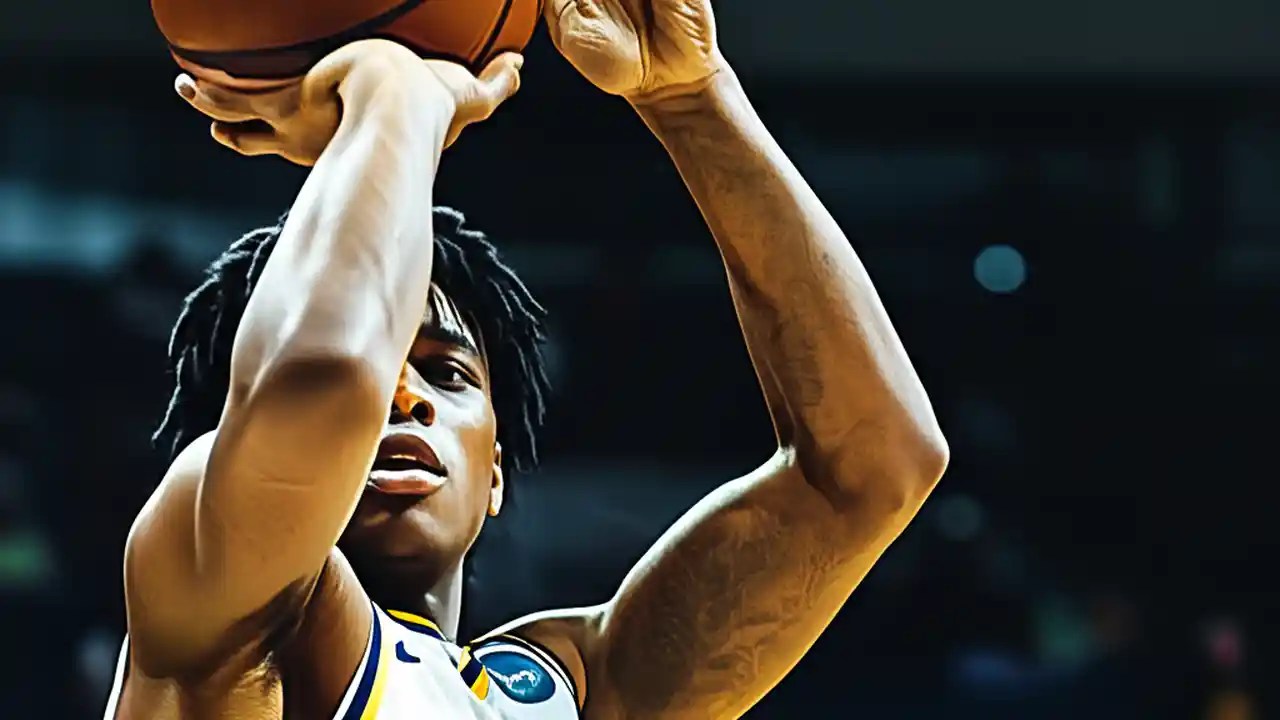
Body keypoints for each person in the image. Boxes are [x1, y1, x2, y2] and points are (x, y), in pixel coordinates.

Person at [107, 0, 949, 717]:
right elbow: (321, 385)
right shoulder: (207, 598)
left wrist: (694, 100)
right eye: (391, 359)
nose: (402, 394)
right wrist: (395, 86)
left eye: (448, 372)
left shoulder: (563, 689)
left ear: (498, 467)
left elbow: (872, 470)